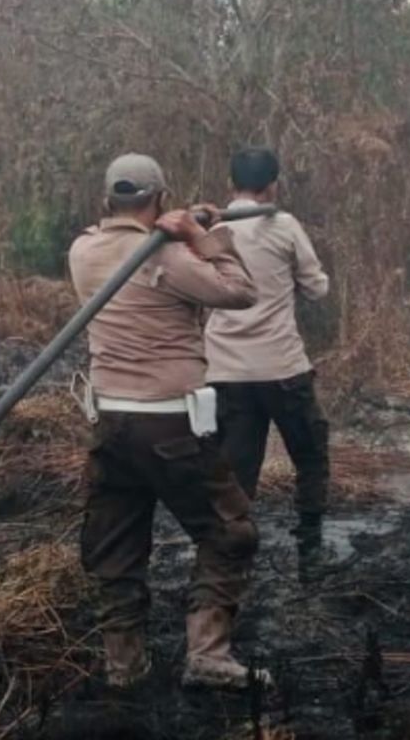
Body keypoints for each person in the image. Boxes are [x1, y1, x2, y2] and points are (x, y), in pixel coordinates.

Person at [69, 153, 270, 690]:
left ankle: (124, 665)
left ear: (107, 199)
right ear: (159, 199)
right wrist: (205, 238)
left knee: (116, 546)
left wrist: (180, 232)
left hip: (110, 423)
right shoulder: (165, 256)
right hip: (170, 425)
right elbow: (240, 292)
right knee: (230, 533)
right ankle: (208, 655)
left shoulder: (82, 250)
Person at [204, 147, 331, 573]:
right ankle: (310, 545)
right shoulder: (284, 225)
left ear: (231, 184)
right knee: (310, 454)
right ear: (273, 185)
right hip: (281, 367)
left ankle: (233, 553)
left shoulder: (212, 230)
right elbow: (317, 289)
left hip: (226, 368)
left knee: (237, 469)